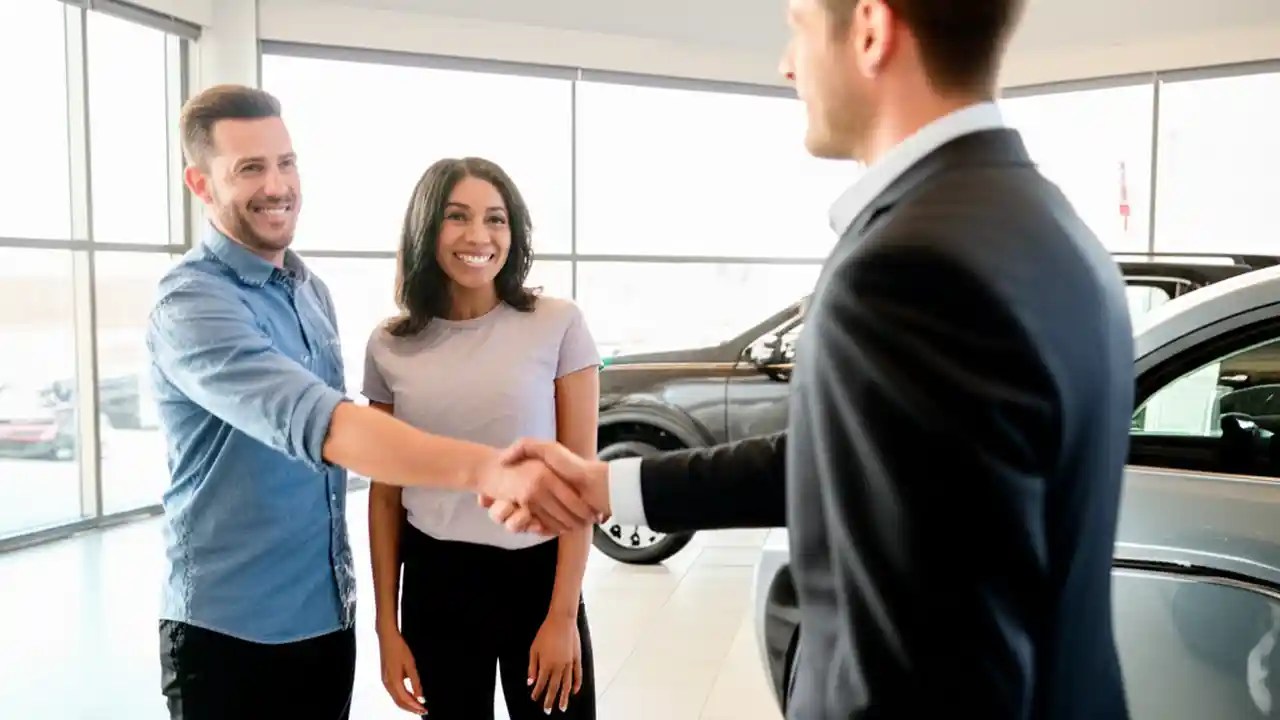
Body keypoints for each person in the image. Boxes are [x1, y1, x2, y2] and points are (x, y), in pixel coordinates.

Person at [486, 0, 1135, 717]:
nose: (787, 64)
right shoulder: (1048, 224)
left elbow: (917, 667)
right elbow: (862, 459)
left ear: (869, 28)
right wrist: (609, 487)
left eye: (796, 25)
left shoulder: (907, 265)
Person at [147, 85, 593, 720]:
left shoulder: (308, 293)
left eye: (286, 162)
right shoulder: (191, 304)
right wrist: (486, 469)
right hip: (230, 629)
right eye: (249, 168)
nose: (276, 184)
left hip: (323, 621)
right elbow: (326, 427)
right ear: (200, 184)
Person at [362, 157, 601, 719]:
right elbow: (385, 494)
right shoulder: (389, 344)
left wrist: (563, 615)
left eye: (495, 219)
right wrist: (386, 629)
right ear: (426, 228)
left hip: (538, 579)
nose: (478, 236)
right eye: (457, 217)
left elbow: (579, 481)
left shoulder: (558, 323)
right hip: (436, 582)